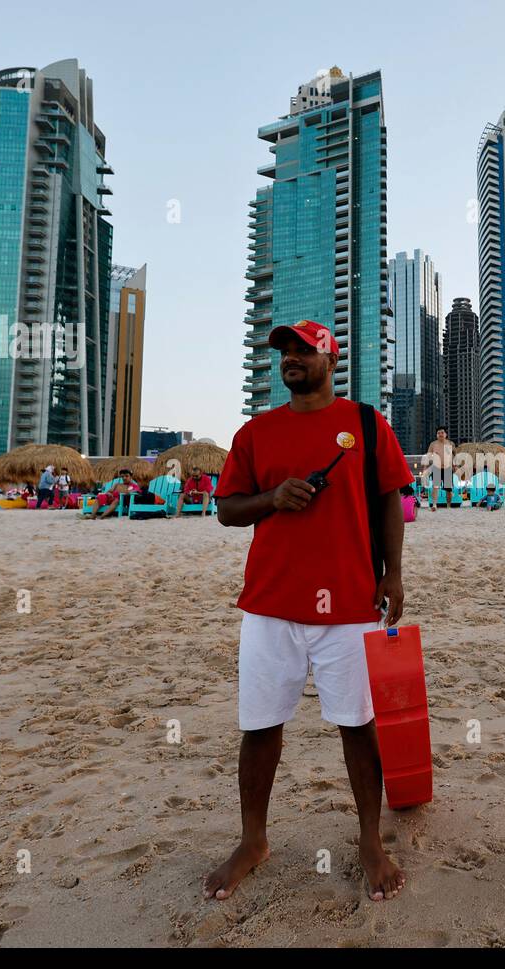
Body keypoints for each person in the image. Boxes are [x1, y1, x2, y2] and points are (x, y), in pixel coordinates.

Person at [204, 318, 412, 905]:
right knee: (261, 726)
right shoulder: (255, 433)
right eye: (284, 352)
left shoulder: (367, 425)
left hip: (349, 602)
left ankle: (370, 840)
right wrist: (272, 498)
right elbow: (226, 510)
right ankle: (253, 840)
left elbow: (388, 501)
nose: (291, 358)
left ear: (330, 359)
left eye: (303, 350)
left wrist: (392, 574)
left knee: (357, 724)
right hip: (271, 603)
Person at [423, 426, 454, 511]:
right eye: (438, 433)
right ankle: (434, 505)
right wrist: (425, 468)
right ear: (436, 435)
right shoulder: (433, 444)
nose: (440, 434)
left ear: (446, 434)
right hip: (437, 468)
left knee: (448, 489)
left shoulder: (450, 443)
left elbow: (453, 456)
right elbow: (428, 456)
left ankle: (448, 505)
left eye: (442, 432)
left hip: (447, 468)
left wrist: (455, 466)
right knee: (435, 487)